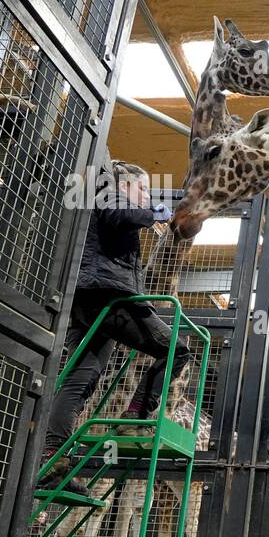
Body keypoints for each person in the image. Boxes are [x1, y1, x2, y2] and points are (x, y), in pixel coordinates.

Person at [36, 160, 189, 496]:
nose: (146, 197)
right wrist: (154, 214)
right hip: (108, 297)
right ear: (124, 185)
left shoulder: (108, 200)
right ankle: (134, 414)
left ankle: (53, 464)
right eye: (143, 189)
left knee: (80, 379)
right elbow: (118, 215)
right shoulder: (108, 190)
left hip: (93, 300)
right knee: (177, 348)